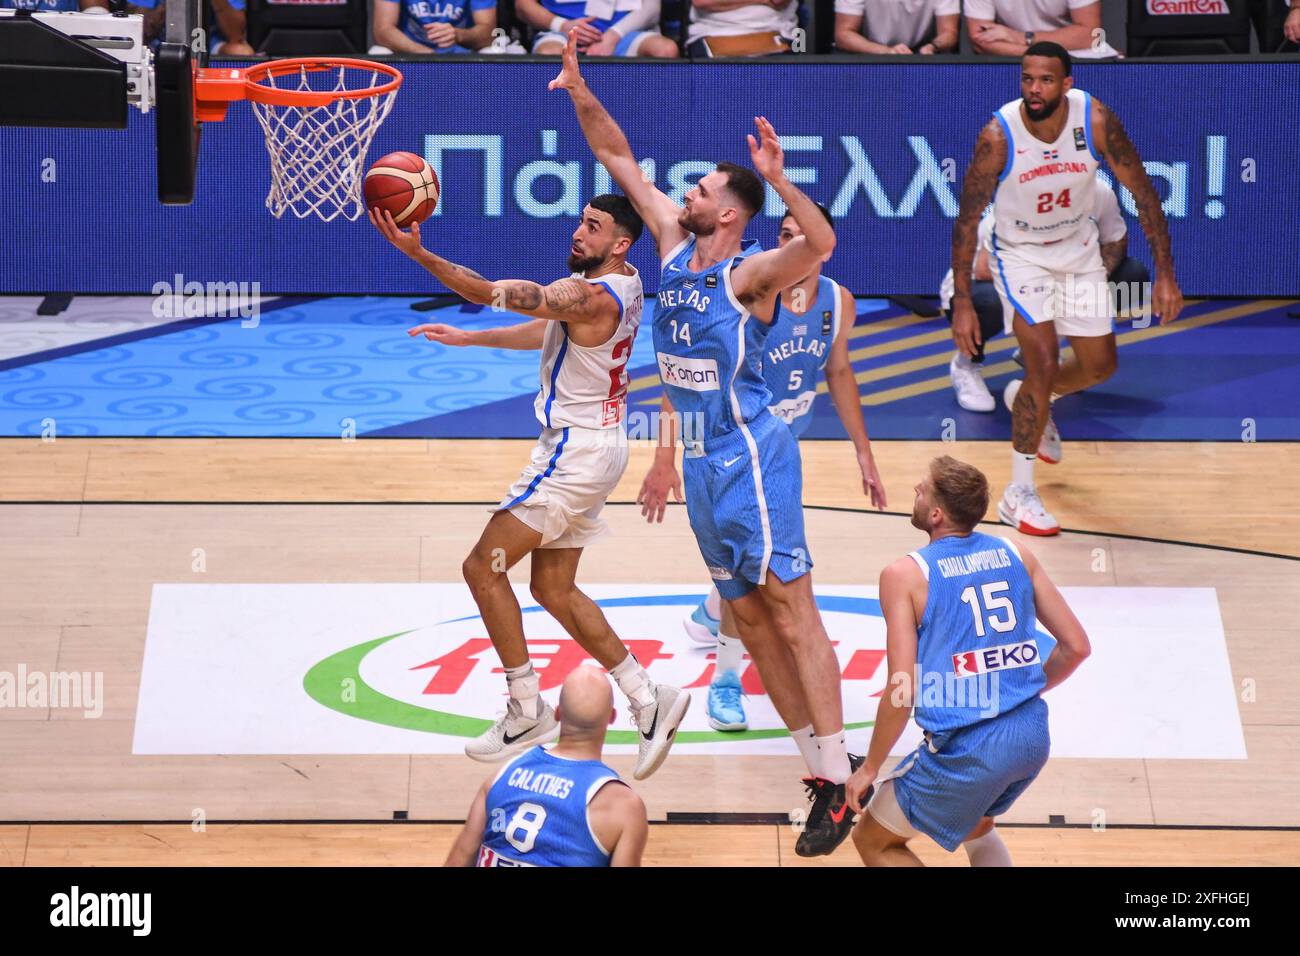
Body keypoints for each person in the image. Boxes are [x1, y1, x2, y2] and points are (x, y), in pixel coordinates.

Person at [551, 32, 858, 857]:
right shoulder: (668, 244)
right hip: (699, 459)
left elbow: (821, 247)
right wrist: (579, 87)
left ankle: (840, 777)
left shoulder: (749, 274)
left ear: (728, 213)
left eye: (703, 186)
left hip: (753, 456)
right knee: (750, 623)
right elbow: (617, 157)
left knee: (793, 615)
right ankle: (823, 770)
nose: (683, 189)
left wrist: (784, 179)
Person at [371, 194, 691, 781]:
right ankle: (649, 698)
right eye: (581, 221)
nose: (579, 232)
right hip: (598, 447)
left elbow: (493, 291)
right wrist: (472, 341)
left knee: (482, 568)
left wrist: (421, 255)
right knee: (553, 587)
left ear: (620, 243)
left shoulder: (590, 294)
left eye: (594, 228)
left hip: (576, 453)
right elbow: (546, 329)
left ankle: (526, 707)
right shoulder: (621, 282)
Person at [644, 203, 886, 734]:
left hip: (777, 447)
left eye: (800, 235)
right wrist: (665, 460)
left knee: (759, 567)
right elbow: (682, 385)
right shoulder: (750, 296)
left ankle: (712, 611)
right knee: (754, 574)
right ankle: (725, 677)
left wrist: (863, 453)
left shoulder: (838, 301)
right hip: (732, 447)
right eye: (782, 234)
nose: (788, 242)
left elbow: (839, 372)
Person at [950, 41, 1183, 536]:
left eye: (1046, 80)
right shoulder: (998, 134)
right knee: (1044, 362)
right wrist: (964, 302)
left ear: (1067, 83)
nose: (1034, 89)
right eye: (1027, 79)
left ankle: (1028, 397)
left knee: (1100, 366)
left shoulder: (1095, 120)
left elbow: (1142, 191)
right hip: (1021, 255)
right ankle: (1019, 492)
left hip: (1078, 250)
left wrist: (1165, 271)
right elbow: (968, 219)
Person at [845, 456, 1091, 866]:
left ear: (937, 514)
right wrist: (1016, 692)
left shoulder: (904, 575)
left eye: (922, 490)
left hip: (969, 751)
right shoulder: (1017, 553)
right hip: (1030, 736)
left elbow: (901, 689)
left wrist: (870, 767)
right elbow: (1077, 647)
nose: (915, 493)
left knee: (873, 840)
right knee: (977, 826)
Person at [940, 175, 1149, 413]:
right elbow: (984, 268)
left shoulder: (1098, 191)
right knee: (992, 305)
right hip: (979, 283)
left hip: (1060, 279)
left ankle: (1037, 351)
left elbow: (1115, 240)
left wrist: (1091, 281)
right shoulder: (1020, 197)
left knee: (1132, 277)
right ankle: (966, 364)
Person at [445, 666, 649, 867]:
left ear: (558, 713)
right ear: (612, 717)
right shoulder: (623, 806)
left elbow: (459, 858)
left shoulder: (504, 774)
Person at [516, 0, 679, 57]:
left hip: (625, 33)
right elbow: (522, 6)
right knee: (549, 54)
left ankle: (650, 128)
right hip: (562, 33)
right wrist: (562, 25)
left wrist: (613, 36)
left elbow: (653, 8)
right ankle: (557, 128)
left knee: (665, 50)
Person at [964, 0, 1119, 59]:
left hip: (1079, 60)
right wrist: (1041, 56)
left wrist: (1021, 37)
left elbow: (1091, 35)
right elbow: (981, 39)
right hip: (1016, 62)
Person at [372, 0, 499, 54]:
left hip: (461, 54)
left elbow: (489, 34)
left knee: (494, 51)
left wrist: (459, 35)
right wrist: (429, 55)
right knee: (378, 52)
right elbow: (383, 31)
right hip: (408, 53)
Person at [834, 0, 959, 55]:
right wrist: (887, 51)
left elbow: (949, 32)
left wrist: (932, 47)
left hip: (922, 55)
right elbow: (843, 34)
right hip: (871, 55)